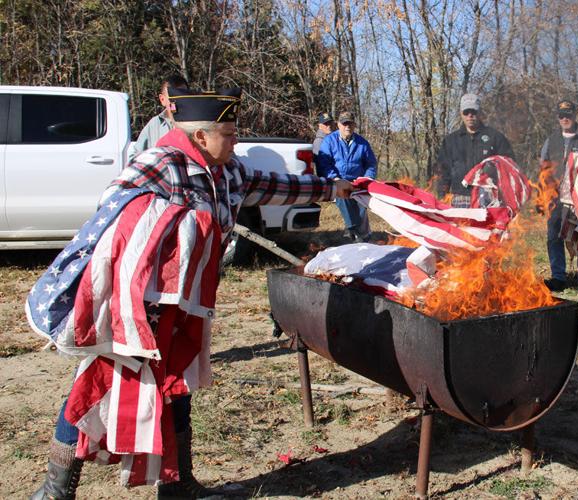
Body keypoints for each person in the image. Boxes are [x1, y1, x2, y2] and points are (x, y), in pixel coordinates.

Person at [29, 87, 353, 500]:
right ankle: (54, 490)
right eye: (230, 134)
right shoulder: (159, 162)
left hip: (186, 305)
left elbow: (278, 185)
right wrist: (180, 227)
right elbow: (113, 210)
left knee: (176, 385)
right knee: (98, 384)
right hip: (140, 307)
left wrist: (333, 188)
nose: (237, 142)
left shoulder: (228, 169)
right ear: (201, 136)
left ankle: (178, 487)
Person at [541, 99, 578, 293]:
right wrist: (541, 197)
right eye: (561, 115)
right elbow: (543, 169)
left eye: (568, 115)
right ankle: (559, 277)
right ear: (557, 117)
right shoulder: (551, 140)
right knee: (554, 237)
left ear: (575, 115)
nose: (565, 118)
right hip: (556, 197)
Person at [434, 93, 514, 207]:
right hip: (459, 199)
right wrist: (442, 197)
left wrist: (507, 198)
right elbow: (442, 172)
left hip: (489, 199)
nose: (470, 115)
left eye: (473, 111)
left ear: (479, 112)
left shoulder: (495, 138)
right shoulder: (451, 141)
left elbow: (509, 168)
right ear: (461, 113)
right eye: (466, 112)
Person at [316, 111, 377, 241]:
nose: (347, 127)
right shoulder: (329, 141)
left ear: (354, 125)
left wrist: (366, 178)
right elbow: (324, 163)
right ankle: (352, 229)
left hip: (358, 181)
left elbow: (371, 164)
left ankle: (359, 234)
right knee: (342, 194)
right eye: (344, 124)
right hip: (337, 180)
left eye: (350, 124)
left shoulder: (362, 143)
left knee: (362, 199)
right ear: (338, 125)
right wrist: (335, 179)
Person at [128, 75, 189, 160]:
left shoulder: (198, 123)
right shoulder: (154, 124)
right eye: (172, 97)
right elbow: (134, 158)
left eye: (182, 95)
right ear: (162, 99)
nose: (177, 101)